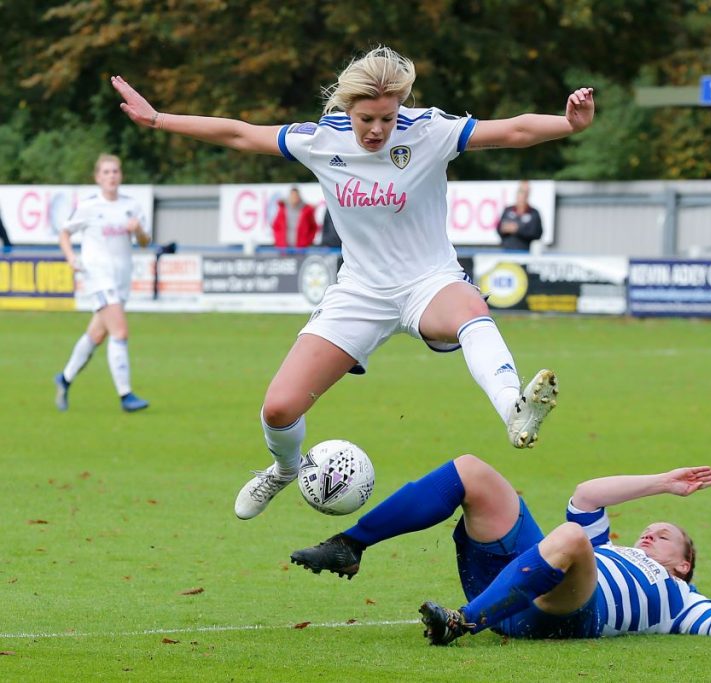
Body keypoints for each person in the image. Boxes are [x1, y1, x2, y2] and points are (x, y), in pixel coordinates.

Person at [111, 46, 595, 519]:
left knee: (471, 308)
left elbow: (512, 130)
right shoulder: (320, 139)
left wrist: (569, 124)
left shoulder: (430, 130)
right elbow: (240, 134)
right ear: (349, 109)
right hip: (359, 293)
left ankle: (514, 408)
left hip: (429, 282)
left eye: (387, 117)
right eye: (368, 119)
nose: (378, 129)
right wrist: (160, 120)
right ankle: (283, 469)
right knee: (279, 409)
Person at [289, 454, 711, 646]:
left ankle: (461, 623)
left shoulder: (683, 599)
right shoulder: (608, 548)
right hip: (513, 585)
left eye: (662, 536)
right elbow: (588, 493)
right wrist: (664, 482)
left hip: (563, 615)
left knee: (568, 539)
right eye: (648, 530)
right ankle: (350, 545)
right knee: (472, 472)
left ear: (683, 563)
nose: (648, 535)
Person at [53, 153, 151, 413]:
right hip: (98, 277)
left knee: (97, 334)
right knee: (120, 332)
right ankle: (126, 395)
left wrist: (138, 230)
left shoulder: (131, 206)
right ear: (97, 177)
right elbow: (65, 232)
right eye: (106, 172)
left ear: (121, 175)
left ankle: (64, 378)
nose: (111, 176)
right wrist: (71, 257)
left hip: (121, 279)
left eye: (115, 171)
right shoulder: (89, 207)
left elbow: (145, 242)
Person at [496, 180, 543, 251]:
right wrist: (504, 229)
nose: (522, 196)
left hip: (525, 253)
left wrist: (518, 230)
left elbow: (537, 233)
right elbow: (499, 228)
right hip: (506, 252)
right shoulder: (508, 210)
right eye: (521, 191)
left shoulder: (533, 213)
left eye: (525, 192)